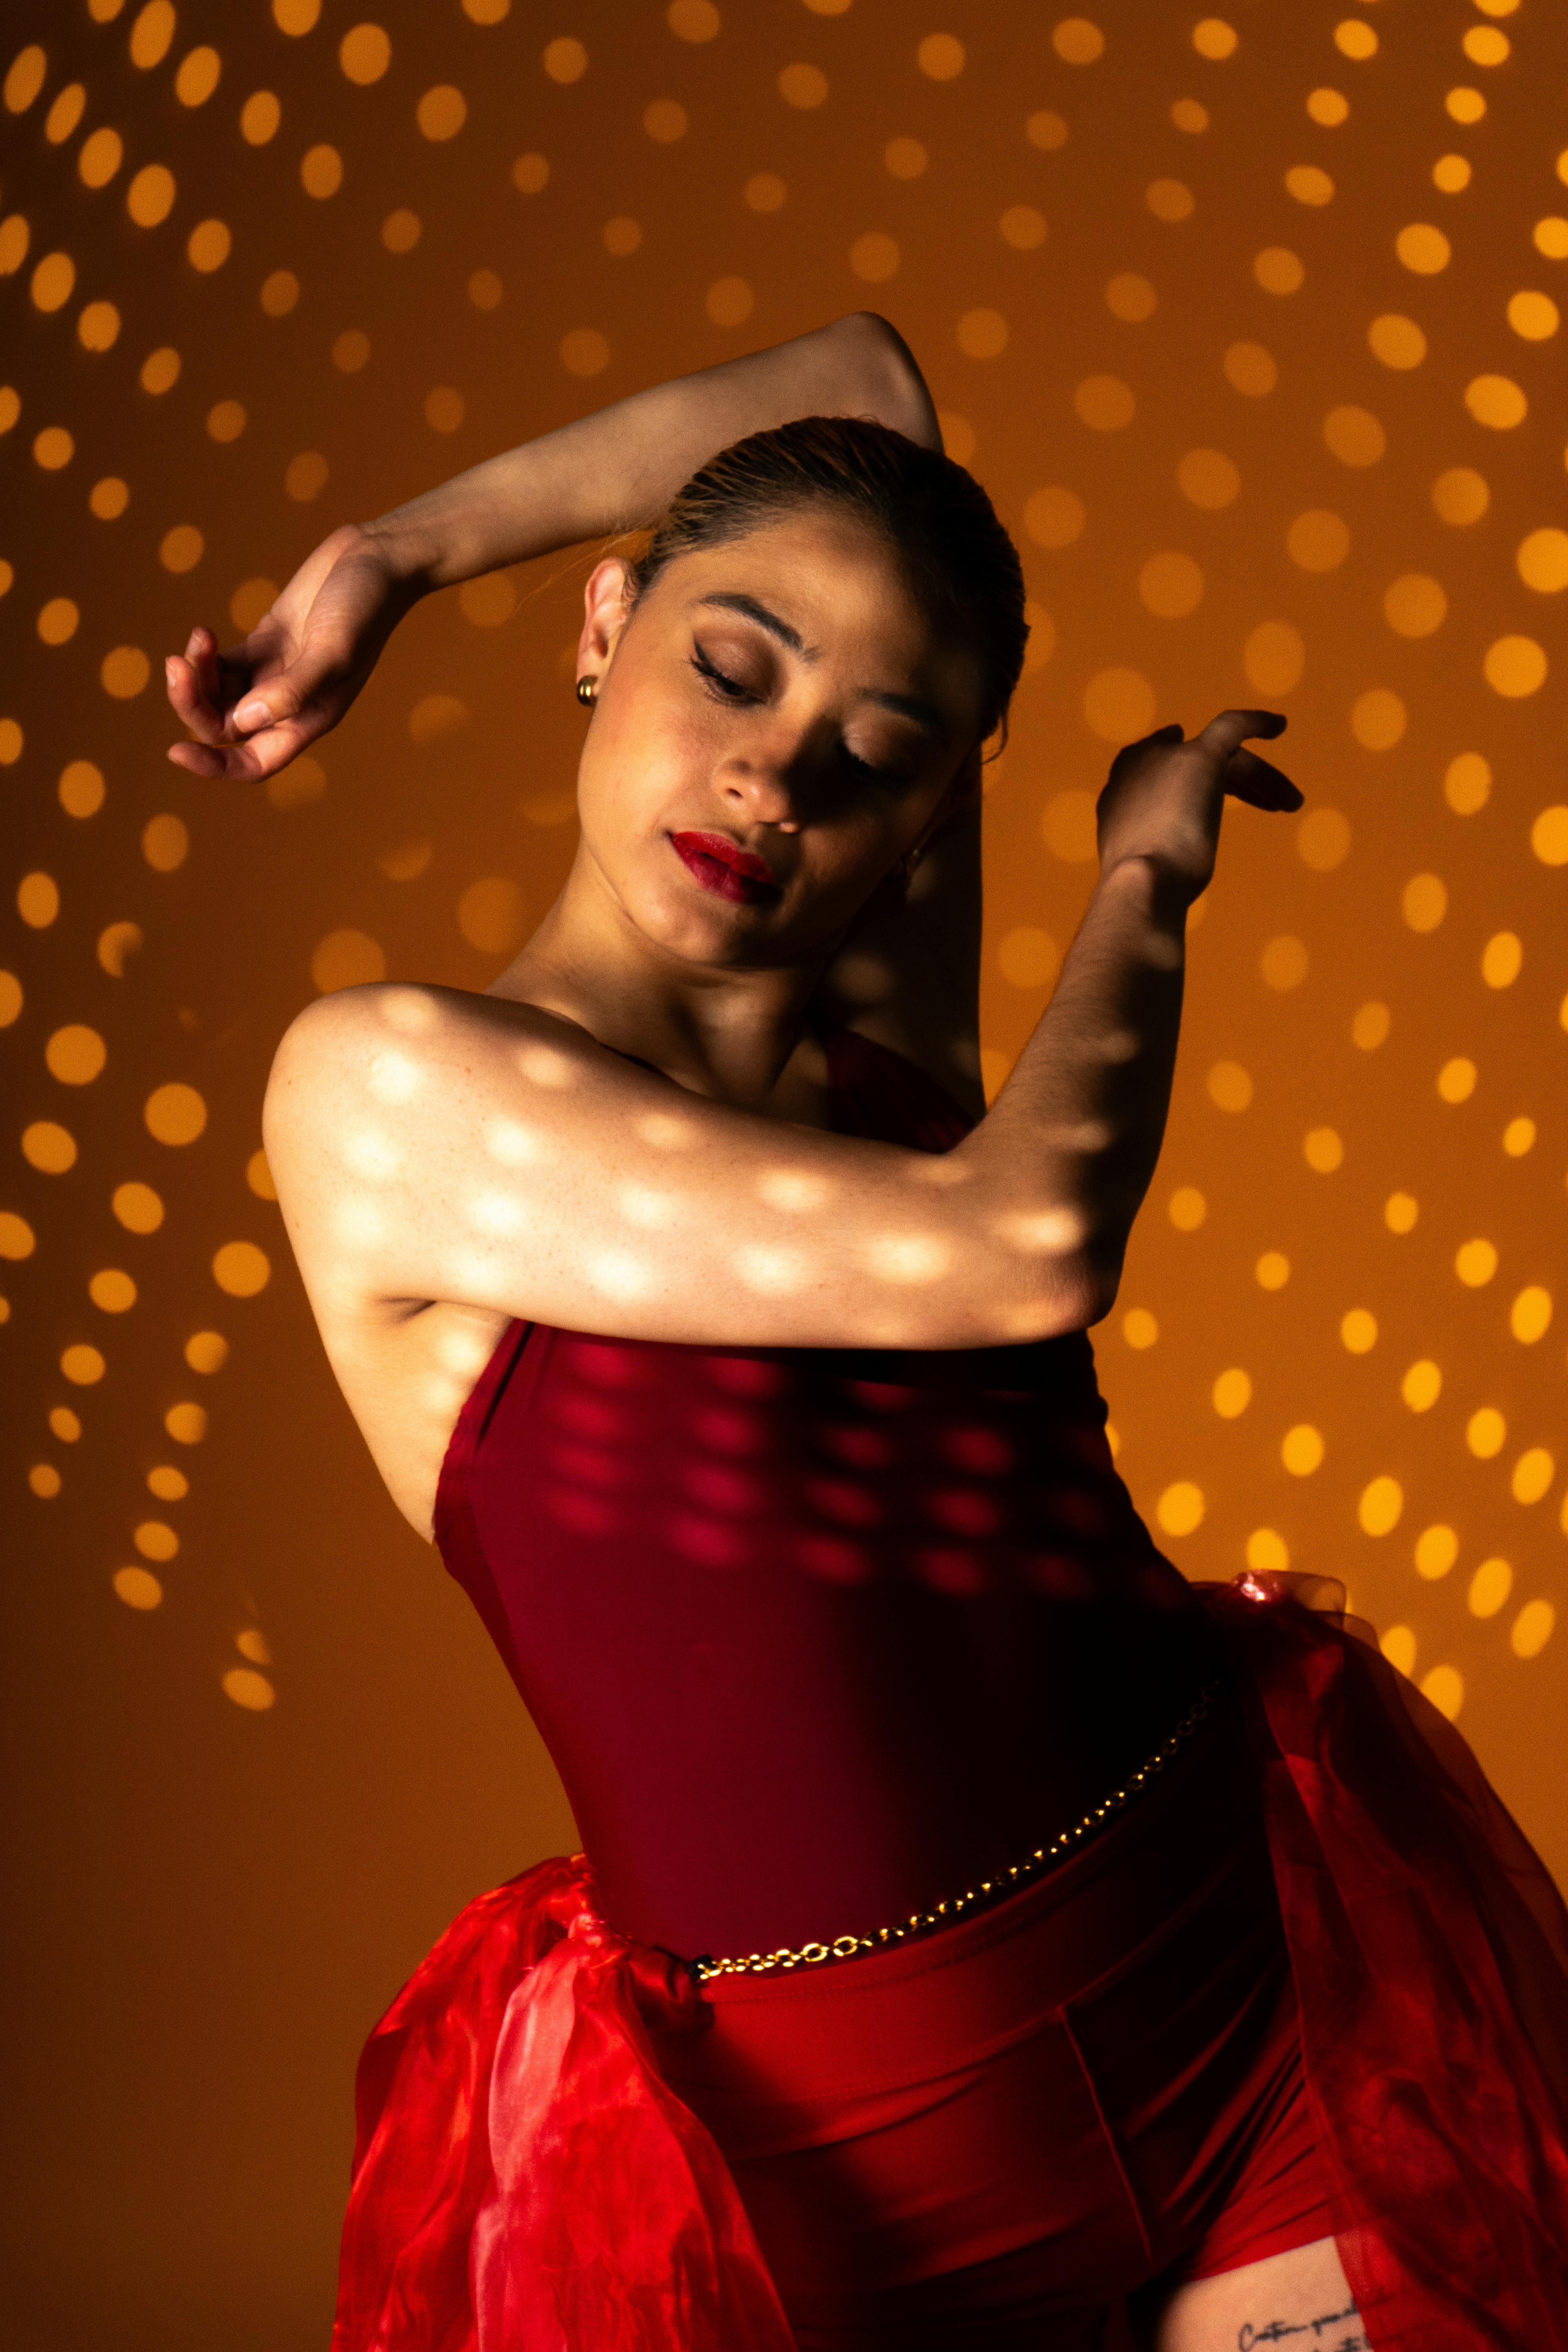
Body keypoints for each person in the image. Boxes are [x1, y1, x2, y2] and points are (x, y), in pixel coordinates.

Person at [166, 315, 1568, 2352]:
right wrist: (1148, 873)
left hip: (1248, 2002)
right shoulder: (391, 1092)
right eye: (728, 665)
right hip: (837, 2182)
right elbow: (1015, 1248)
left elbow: (876, 407)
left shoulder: (875, 1022)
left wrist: (395, 556)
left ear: (929, 814)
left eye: (880, 749)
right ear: (605, 619)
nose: (777, 766)